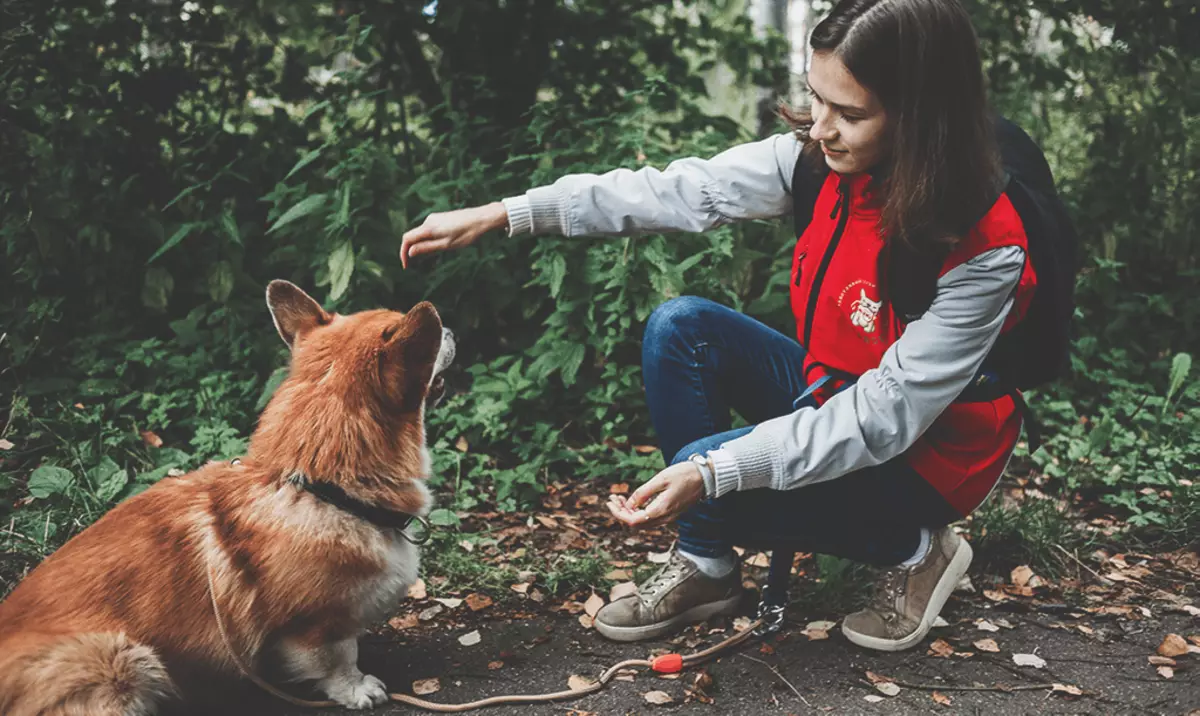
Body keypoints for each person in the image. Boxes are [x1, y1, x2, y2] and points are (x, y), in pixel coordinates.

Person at [400, 0, 1039, 652]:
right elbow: (684, 189)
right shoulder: (818, 158)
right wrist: (511, 213)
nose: (821, 129)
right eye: (817, 99)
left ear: (923, 117)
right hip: (833, 387)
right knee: (683, 327)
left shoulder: (984, 248)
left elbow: (884, 417)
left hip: (926, 451)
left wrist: (714, 471)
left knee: (714, 487)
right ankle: (708, 565)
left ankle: (915, 546)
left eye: (850, 114)